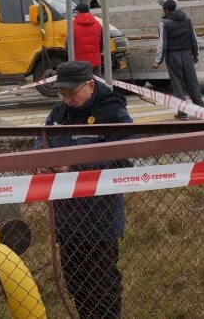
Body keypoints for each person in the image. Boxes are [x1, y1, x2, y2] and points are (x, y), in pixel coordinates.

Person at [34, 61, 133, 318]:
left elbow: (125, 158)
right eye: (62, 94)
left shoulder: (113, 114)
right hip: (66, 218)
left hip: (99, 218)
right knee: (76, 283)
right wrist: (42, 161)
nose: (66, 100)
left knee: (101, 285)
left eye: (71, 93)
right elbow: (41, 139)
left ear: (90, 85)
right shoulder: (59, 114)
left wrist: (75, 166)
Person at [151, 0, 204, 119]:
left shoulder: (163, 23)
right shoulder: (187, 20)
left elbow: (162, 44)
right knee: (192, 82)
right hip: (187, 54)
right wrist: (195, 55)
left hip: (173, 56)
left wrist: (157, 61)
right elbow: (194, 39)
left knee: (177, 84)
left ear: (165, 10)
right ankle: (201, 108)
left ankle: (182, 111)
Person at [71, 3, 104, 76]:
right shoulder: (98, 24)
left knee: (81, 85)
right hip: (95, 62)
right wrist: (97, 54)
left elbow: (68, 46)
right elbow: (102, 43)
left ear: (78, 12)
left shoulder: (72, 26)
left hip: (78, 64)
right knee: (96, 83)